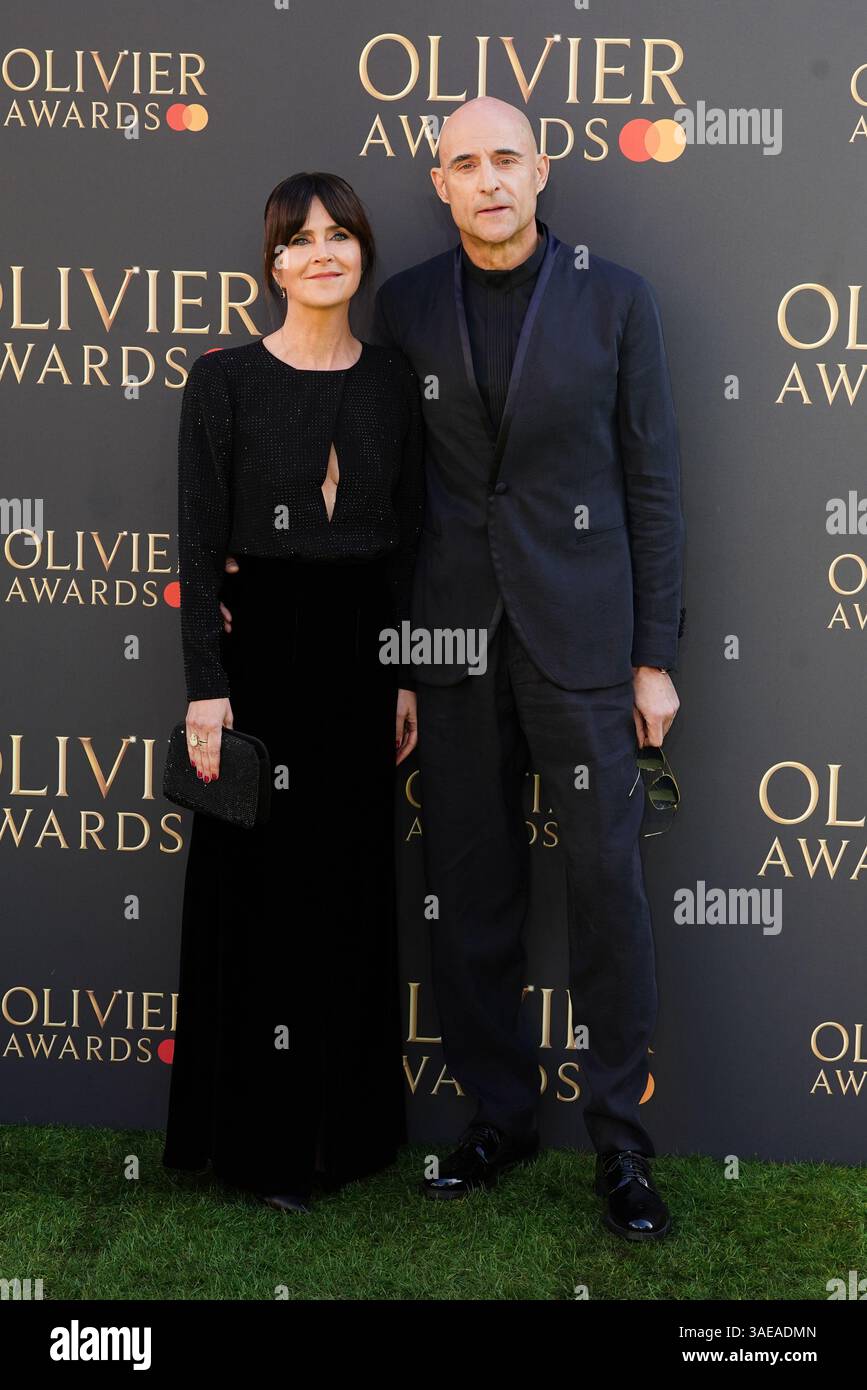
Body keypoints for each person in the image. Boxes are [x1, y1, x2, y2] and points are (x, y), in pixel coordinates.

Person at [368, 97, 686, 1240]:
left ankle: (622, 1143)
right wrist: (403, 659)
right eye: (465, 162)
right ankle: (497, 1117)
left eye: (507, 157)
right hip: (452, 648)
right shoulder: (402, 305)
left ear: (542, 170)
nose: (489, 178)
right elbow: (396, 502)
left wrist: (656, 656)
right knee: (470, 896)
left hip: (587, 644)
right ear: (439, 181)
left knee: (606, 890)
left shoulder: (617, 297)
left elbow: (653, 484)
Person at [161, 172, 424, 1214]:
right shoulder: (220, 380)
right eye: (299, 239)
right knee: (260, 899)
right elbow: (195, 543)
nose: (322, 252)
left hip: (361, 657)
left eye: (340, 235)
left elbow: (405, 540)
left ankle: (345, 1135)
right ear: (270, 262)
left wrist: (401, 667)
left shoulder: (398, 379)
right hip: (259, 656)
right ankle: (259, 1143)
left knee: (349, 892)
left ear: (362, 251)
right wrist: (205, 690)